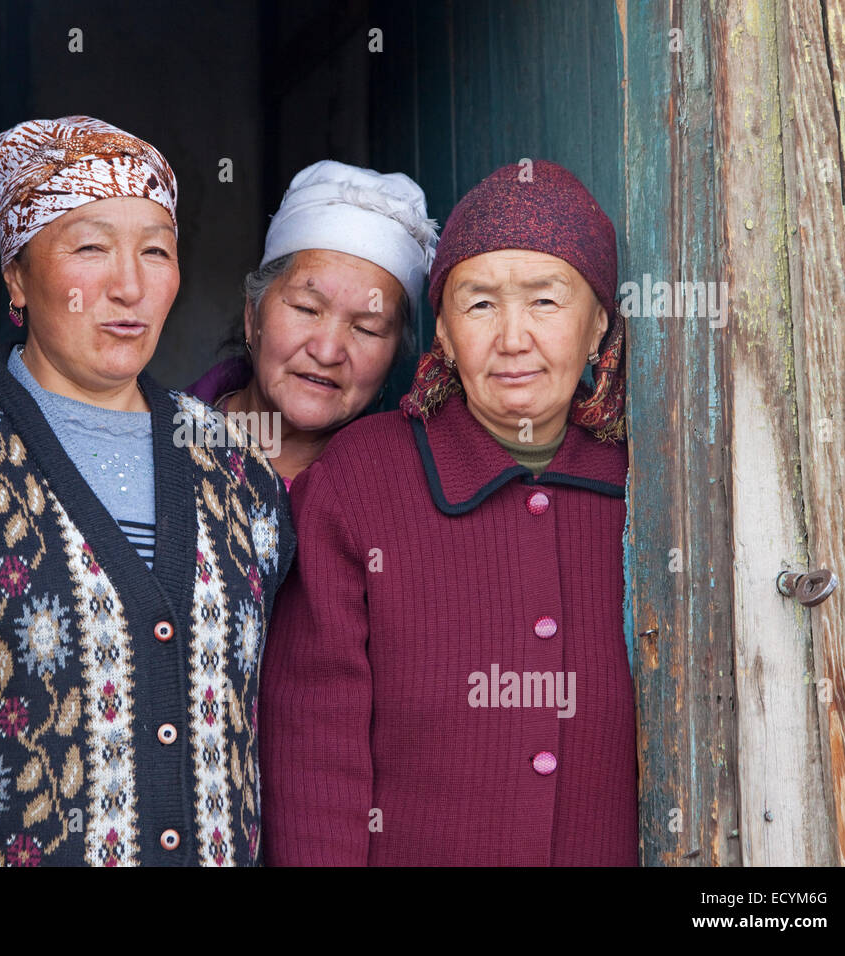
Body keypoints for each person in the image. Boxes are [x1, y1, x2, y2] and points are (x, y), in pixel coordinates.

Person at [0, 115, 295, 867]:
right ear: (17, 274)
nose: (129, 285)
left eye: (156, 250)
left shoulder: (236, 472)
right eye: (89, 247)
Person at [259, 159, 634, 865]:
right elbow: (313, 756)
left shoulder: (651, 482)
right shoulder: (360, 482)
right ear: (442, 333)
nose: (513, 338)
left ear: (598, 328)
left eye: (546, 303)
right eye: (480, 303)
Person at [188, 160, 437, 487]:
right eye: (307, 309)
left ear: (394, 358)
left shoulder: (395, 498)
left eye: (366, 328)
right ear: (252, 315)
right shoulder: (156, 438)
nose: (327, 351)